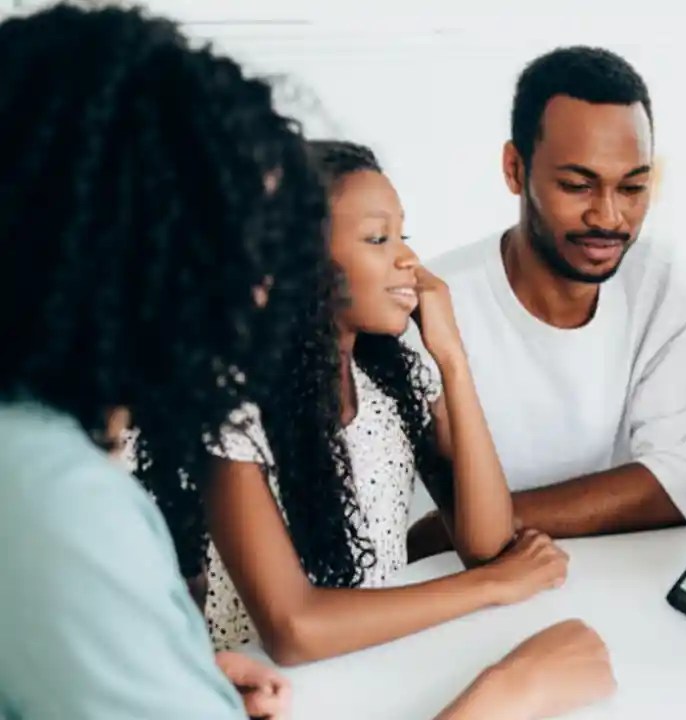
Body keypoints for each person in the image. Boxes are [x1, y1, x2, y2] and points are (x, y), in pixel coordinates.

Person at [0, 6, 612, 719]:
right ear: (128, 248)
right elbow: (290, 623)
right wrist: (511, 693)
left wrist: (182, 676)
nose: (263, 279)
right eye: (240, 237)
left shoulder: (40, 463)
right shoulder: (66, 511)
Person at [196, 140, 567, 665]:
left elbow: (485, 543)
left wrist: (454, 362)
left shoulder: (395, 378)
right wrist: (491, 586)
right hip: (263, 696)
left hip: (374, 671)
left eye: (404, 234)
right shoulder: (230, 406)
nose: (409, 257)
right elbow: (292, 629)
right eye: (378, 238)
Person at [407, 46, 686, 559]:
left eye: (633, 187)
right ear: (515, 168)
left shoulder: (669, 287)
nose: (609, 216)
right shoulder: (438, 301)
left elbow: (682, 480)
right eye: (577, 185)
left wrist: (472, 524)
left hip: (622, 580)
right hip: (463, 587)